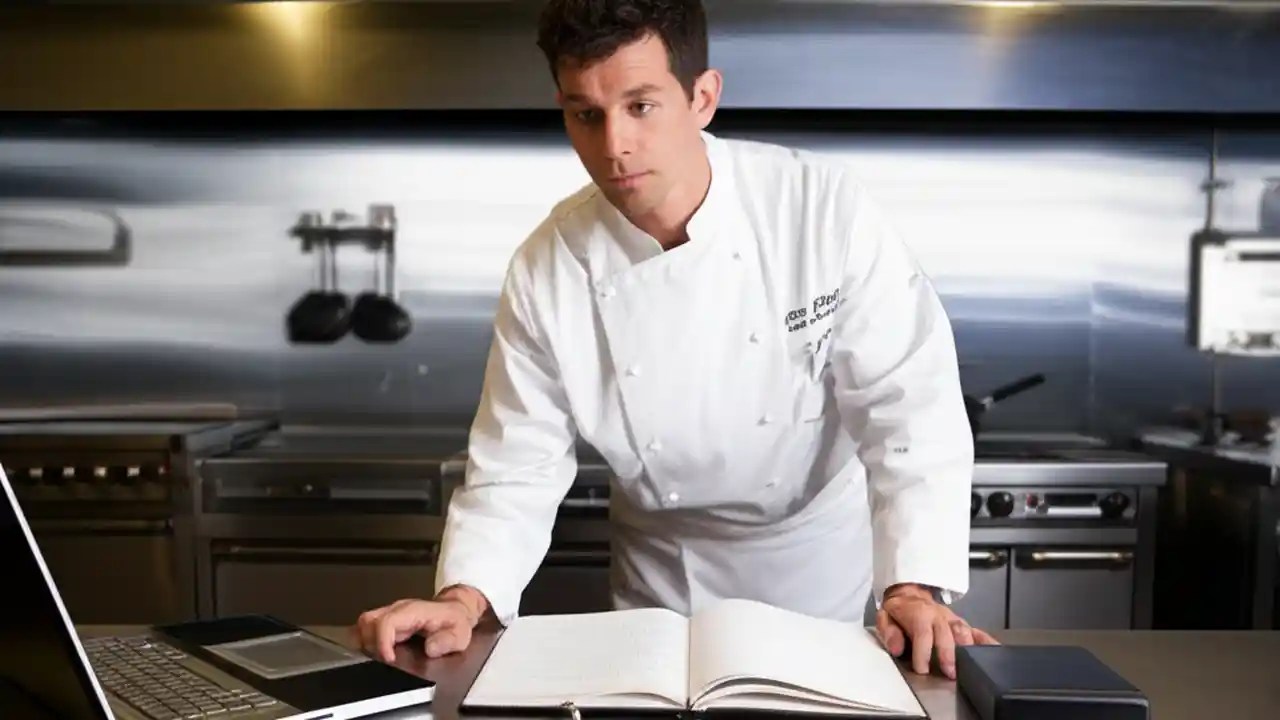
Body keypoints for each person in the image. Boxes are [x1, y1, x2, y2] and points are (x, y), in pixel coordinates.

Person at [354, 0, 996, 681]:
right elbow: (517, 463)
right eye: (585, 114)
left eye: (640, 106)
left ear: (702, 97)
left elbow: (907, 408)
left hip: (814, 575)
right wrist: (464, 596)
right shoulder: (549, 266)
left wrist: (913, 588)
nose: (613, 146)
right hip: (660, 592)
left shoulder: (819, 209)